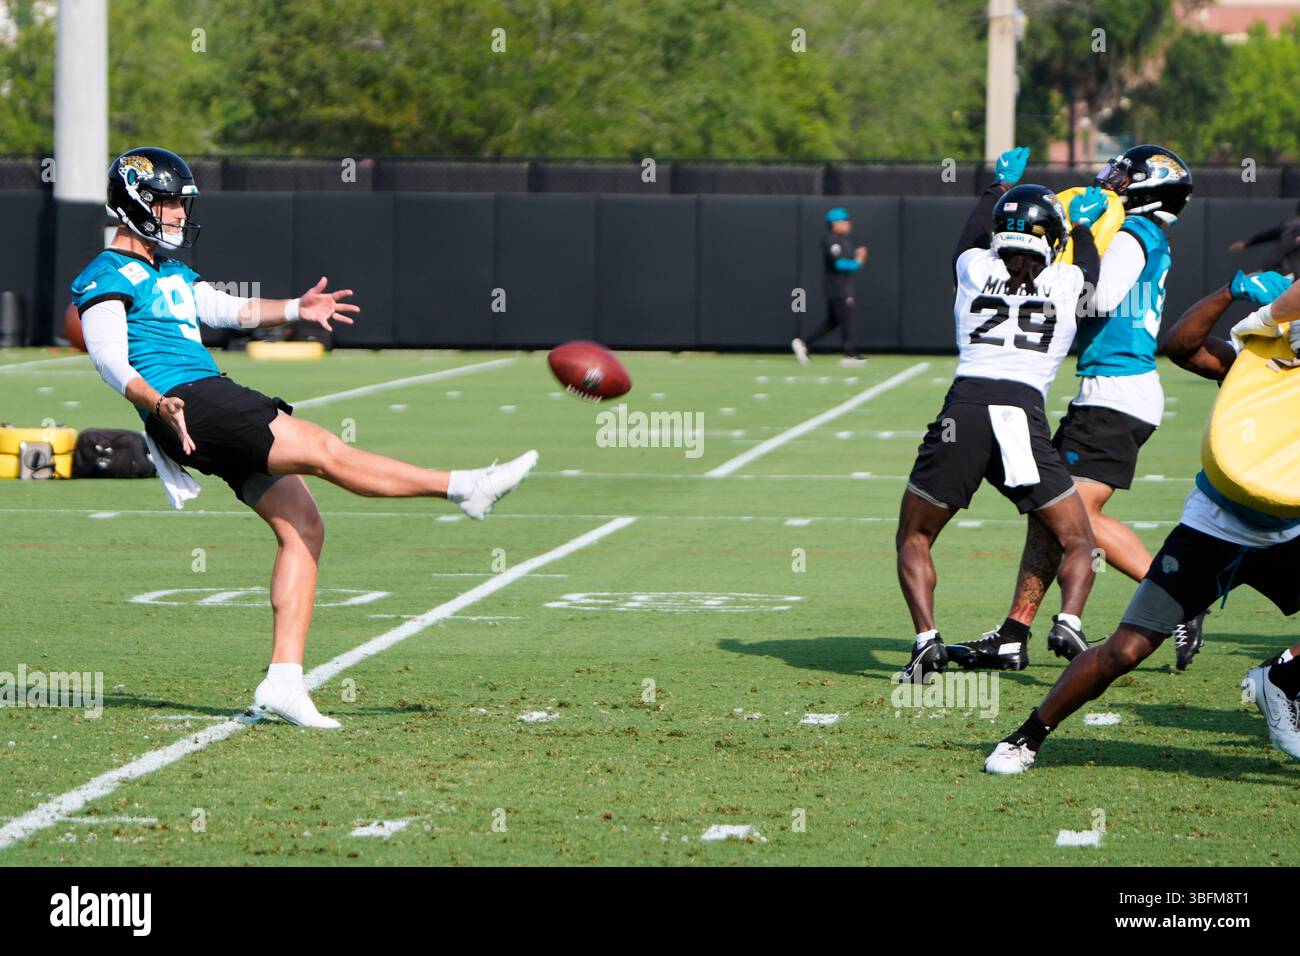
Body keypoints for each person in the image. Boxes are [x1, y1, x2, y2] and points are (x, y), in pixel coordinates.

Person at [72, 147, 538, 729]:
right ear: (136, 205)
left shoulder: (169, 272)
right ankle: (466, 487)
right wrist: (156, 401)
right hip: (188, 400)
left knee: (305, 527)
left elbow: (228, 309)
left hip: (202, 398)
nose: (178, 216)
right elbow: (110, 359)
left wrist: (297, 307)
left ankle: (283, 682)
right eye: (168, 205)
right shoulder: (104, 275)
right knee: (323, 449)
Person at [984, 268, 1297, 774]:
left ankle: (1281, 679)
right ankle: (1025, 738)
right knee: (1124, 651)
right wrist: (1229, 291)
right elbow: (1182, 347)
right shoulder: (1254, 362)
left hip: (1289, 531)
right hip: (1215, 526)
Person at [954, 145, 1208, 672]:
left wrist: (1066, 254)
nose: (1110, 179)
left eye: (1123, 174)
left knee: (1072, 518)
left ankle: (1180, 602)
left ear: (1149, 186)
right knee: (1054, 518)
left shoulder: (1136, 234)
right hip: (1109, 391)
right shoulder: (1142, 233)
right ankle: (1015, 631)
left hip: (1116, 392)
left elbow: (1098, 299)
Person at [896, 144, 1106, 683]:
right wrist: (1081, 227)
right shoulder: (1064, 282)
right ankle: (1069, 620)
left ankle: (926, 641)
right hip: (1021, 413)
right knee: (1077, 539)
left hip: (963, 410)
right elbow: (1088, 270)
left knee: (916, 537)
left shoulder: (972, 268)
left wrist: (995, 187)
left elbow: (967, 241)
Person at [792, 208, 867, 367]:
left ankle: (804, 344)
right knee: (847, 319)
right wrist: (858, 261)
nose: (848, 224)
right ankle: (849, 354)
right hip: (838, 288)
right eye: (844, 221)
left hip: (843, 286)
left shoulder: (844, 241)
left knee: (833, 322)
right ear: (835, 224)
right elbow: (839, 264)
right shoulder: (831, 240)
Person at [1228, 201, 1300, 279]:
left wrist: (1248, 243)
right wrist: (1262, 270)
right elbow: (1280, 249)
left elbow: (1270, 235)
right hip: (1290, 275)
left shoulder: (1291, 225)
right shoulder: (1295, 228)